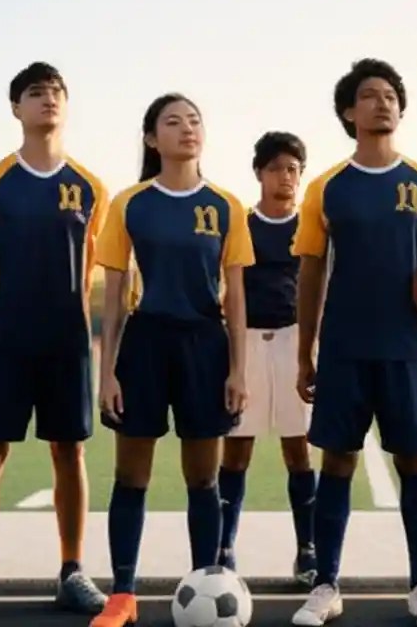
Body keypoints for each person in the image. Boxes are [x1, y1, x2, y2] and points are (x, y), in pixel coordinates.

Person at [0, 62, 109, 621]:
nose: (48, 100)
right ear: (16, 108)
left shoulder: (89, 186)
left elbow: (88, 274)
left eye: (56, 92)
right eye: (36, 93)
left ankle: (72, 571)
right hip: (6, 335)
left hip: (66, 339)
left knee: (70, 452)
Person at [290, 58, 417, 627]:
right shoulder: (326, 187)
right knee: (337, 461)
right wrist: (304, 348)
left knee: (413, 461)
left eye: (390, 95)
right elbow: (310, 272)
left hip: (406, 345)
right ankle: (327, 584)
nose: (383, 102)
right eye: (369, 95)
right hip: (344, 344)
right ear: (347, 112)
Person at [88, 93, 254, 627]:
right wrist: (107, 369)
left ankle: (206, 580)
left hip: (205, 345)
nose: (188, 129)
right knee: (131, 473)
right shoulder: (131, 203)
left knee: (202, 478)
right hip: (146, 343)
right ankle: (122, 593)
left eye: (195, 121)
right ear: (150, 138)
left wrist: (238, 368)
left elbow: (236, 296)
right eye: (174, 122)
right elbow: (113, 294)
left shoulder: (227, 205)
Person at [217, 131, 318, 587]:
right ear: (259, 172)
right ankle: (224, 546)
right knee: (237, 449)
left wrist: (313, 350)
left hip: (298, 341)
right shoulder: (240, 223)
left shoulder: (312, 226)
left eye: (294, 169)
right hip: (247, 339)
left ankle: (308, 548)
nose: (286, 177)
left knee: (298, 449)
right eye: (277, 168)